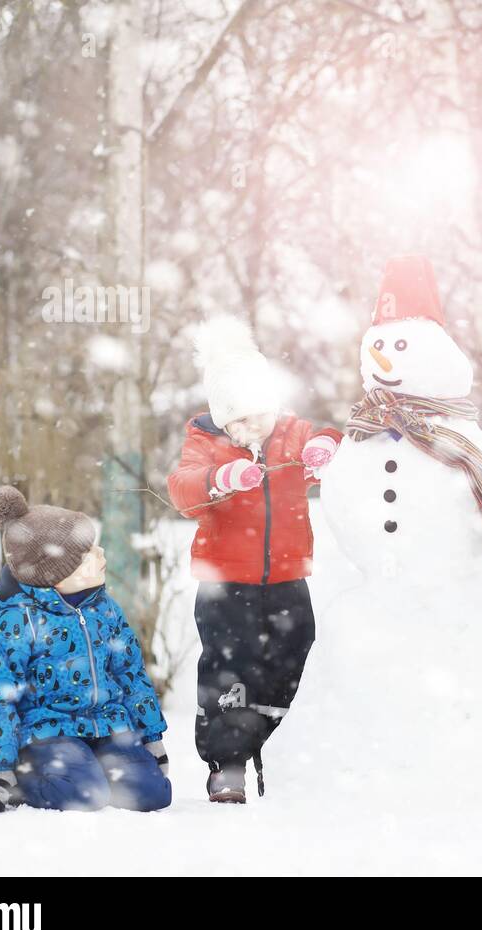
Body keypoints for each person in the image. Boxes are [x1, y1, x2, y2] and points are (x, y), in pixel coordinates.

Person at [166, 317, 341, 803]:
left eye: (255, 415)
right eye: (234, 419)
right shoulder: (205, 440)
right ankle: (229, 762)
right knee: (231, 668)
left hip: (287, 579)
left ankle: (283, 751)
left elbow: (328, 440)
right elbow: (183, 489)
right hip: (226, 584)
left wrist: (327, 447)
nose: (247, 427)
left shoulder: (290, 434)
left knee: (294, 659)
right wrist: (221, 479)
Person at [0, 485, 170, 813]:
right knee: (82, 794)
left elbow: (130, 673)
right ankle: (26, 775)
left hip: (107, 726)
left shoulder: (103, 609)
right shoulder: (16, 622)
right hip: (48, 733)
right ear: (53, 573)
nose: (100, 554)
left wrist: (151, 736)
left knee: (153, 793)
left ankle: (95, 767)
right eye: (86, 553)